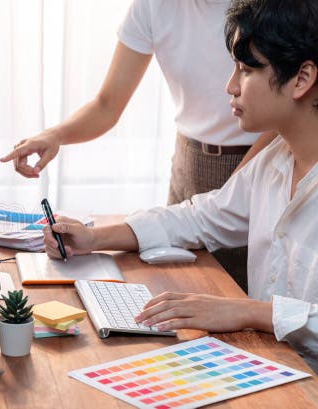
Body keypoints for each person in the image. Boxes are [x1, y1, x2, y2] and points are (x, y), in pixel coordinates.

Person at [42, 0, 318, 372]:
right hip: (271, 365)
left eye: (246, 70)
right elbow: (200, 218)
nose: (230, 86)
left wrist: (248, 312)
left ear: (301, 79)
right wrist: (95, 239)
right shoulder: (274, 162)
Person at [0, 0, 277, 291]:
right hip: (188, 161)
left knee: (241, 296)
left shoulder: (266, 12)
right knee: (185, 284)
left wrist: (238, 187)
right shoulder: (154, 6)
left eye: (243, 70)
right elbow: (107, 104)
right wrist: (56, 134)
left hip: (255, 157)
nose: (231, 86)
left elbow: (287, 117)